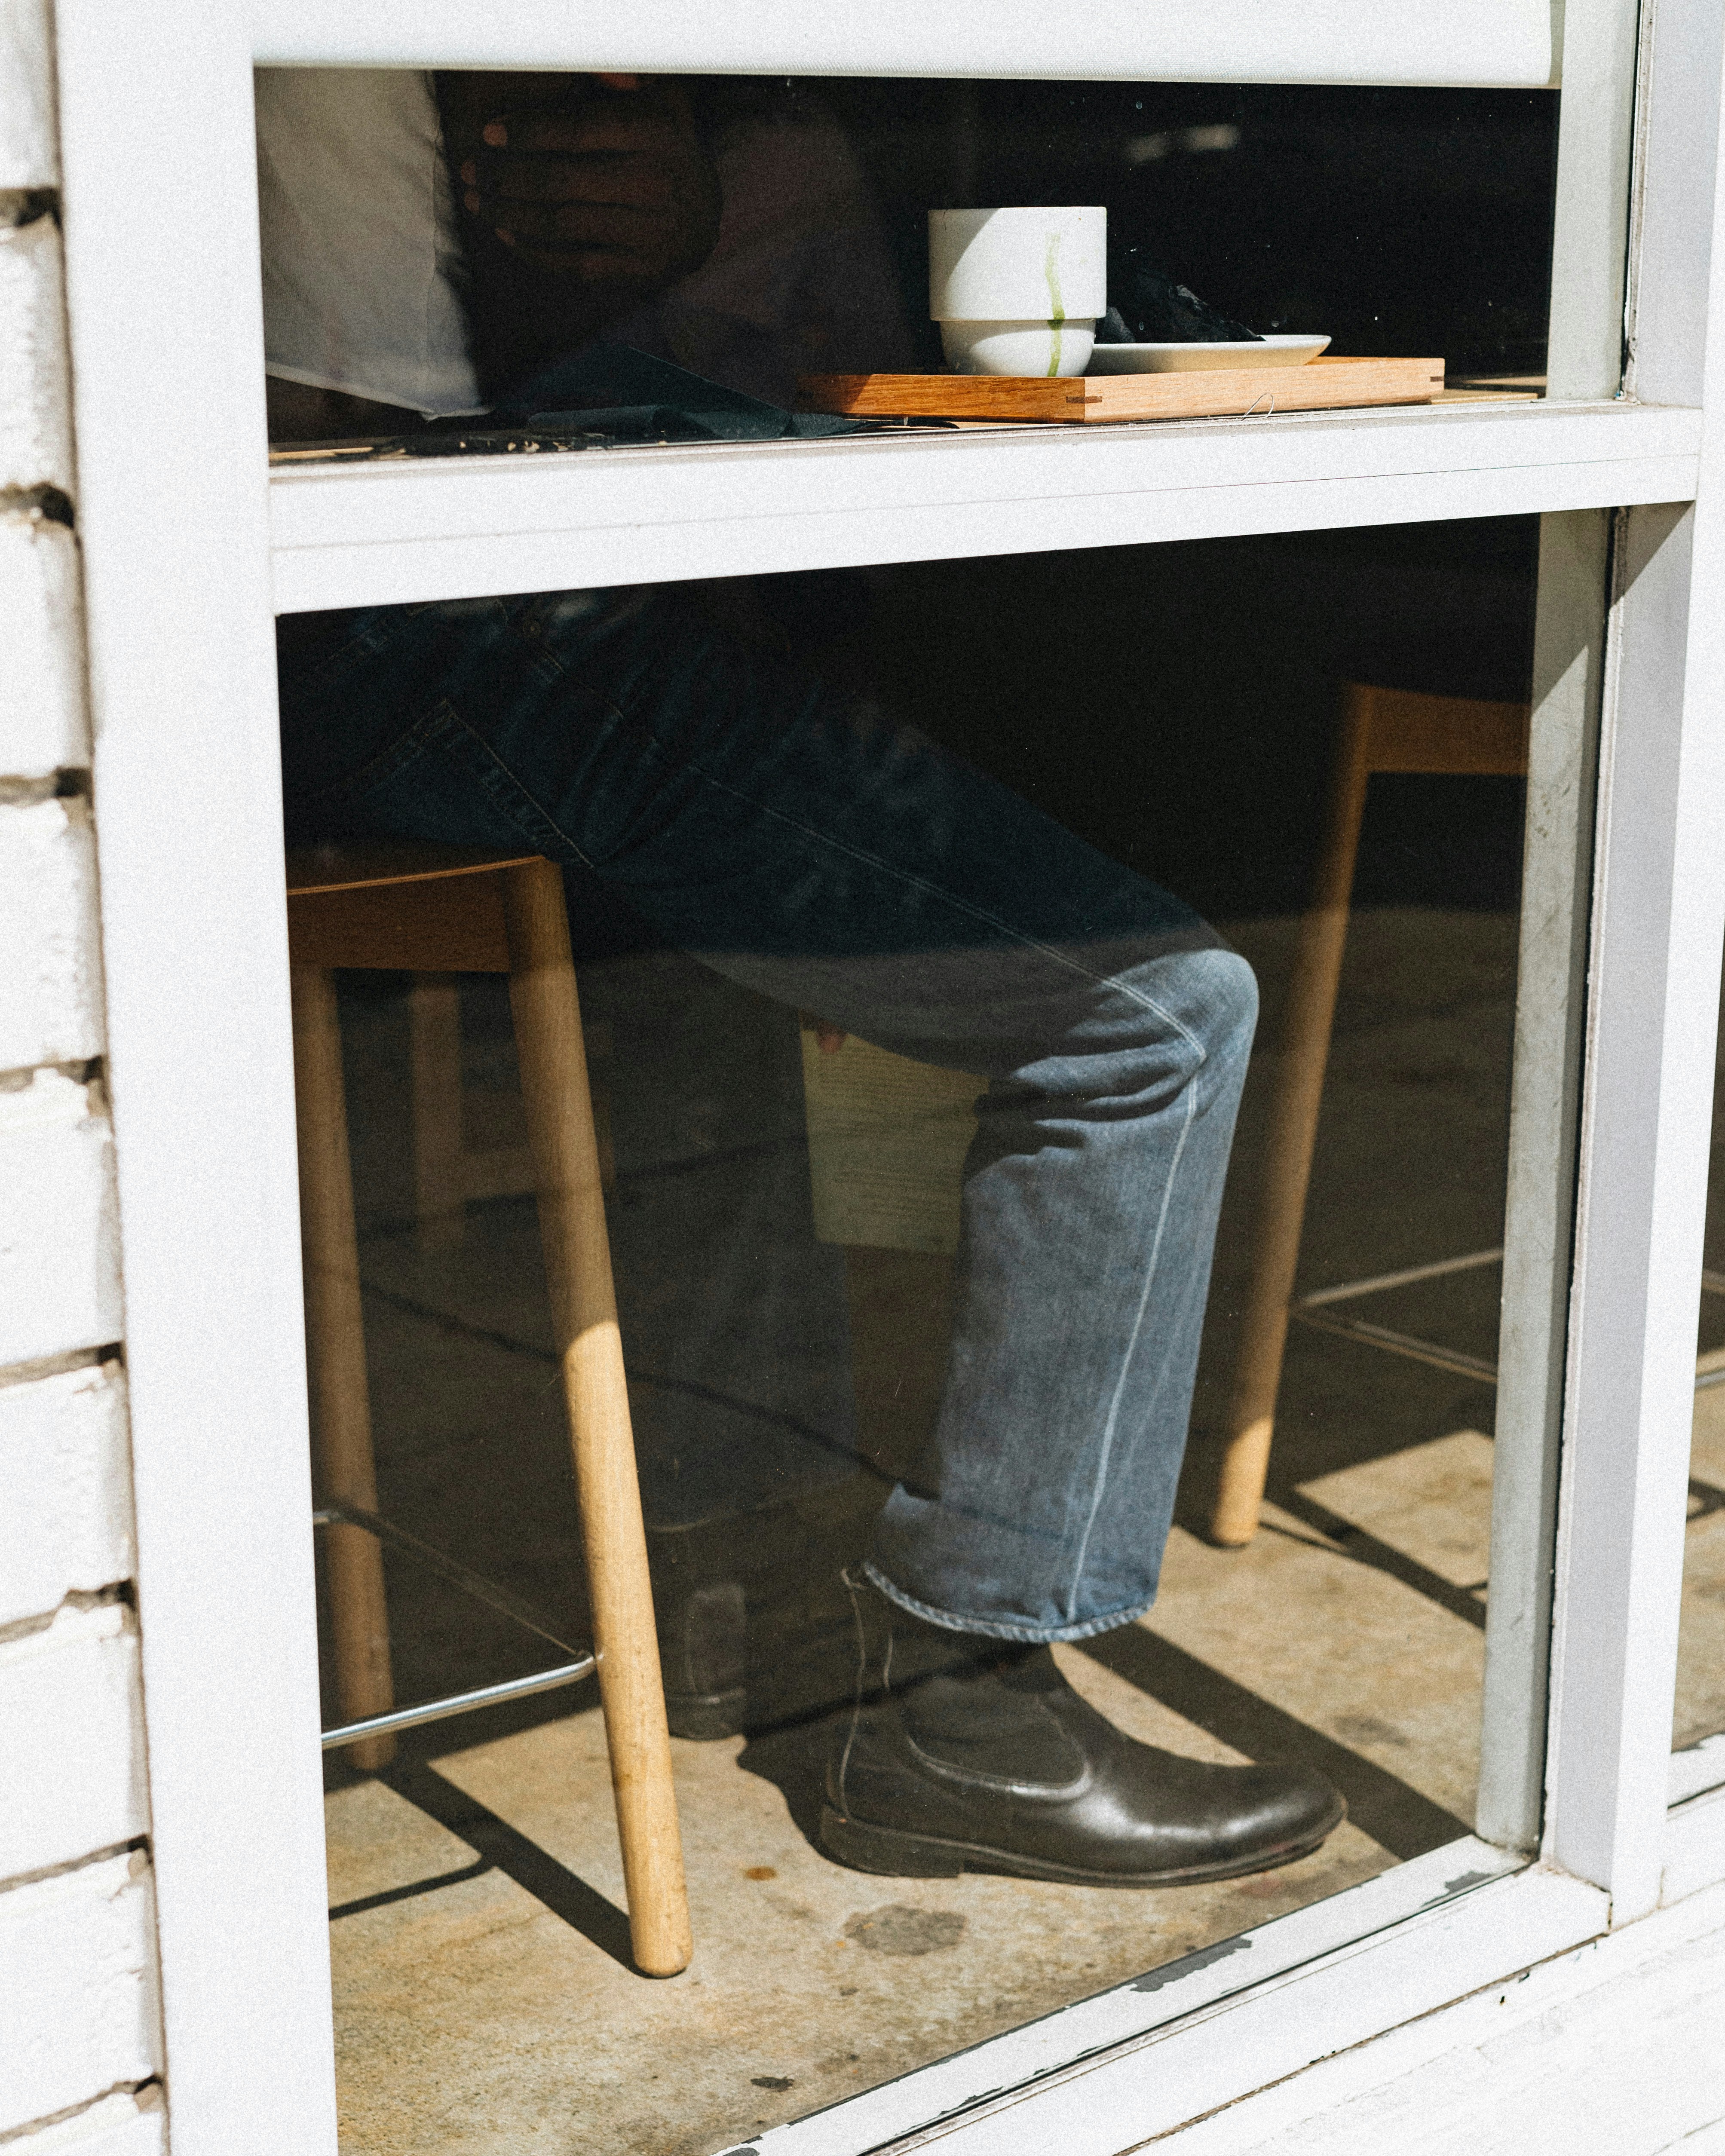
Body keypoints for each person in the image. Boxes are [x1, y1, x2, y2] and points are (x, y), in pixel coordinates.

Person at [260, 65, 1344, 1885]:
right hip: (438, 616)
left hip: (365, 631)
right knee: (1151, 1011)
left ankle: (741, 1609)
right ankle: (970, 1709)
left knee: (720, 966)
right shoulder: (430, 72)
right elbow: (413, 406)